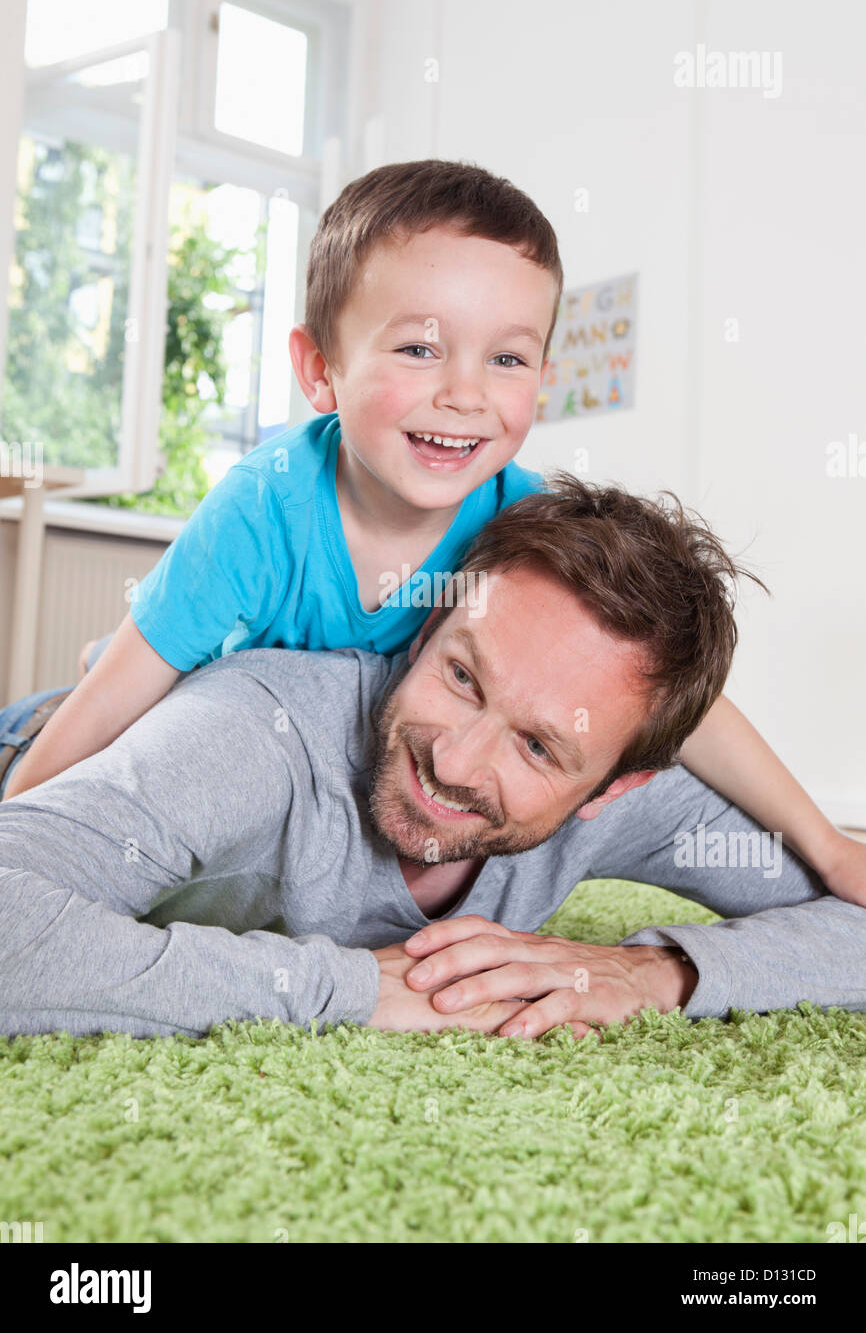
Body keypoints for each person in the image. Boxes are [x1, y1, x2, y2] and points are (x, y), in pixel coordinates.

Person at [2, 159, 864, 909]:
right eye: (419, 348)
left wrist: (825, 846)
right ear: (319, 370)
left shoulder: (523, 523)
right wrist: (21, 831)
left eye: (507, 359)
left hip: (314, 767)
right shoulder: (257, 515)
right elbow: (100, 723)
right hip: (125, 722)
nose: (465, 394)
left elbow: (677, 696)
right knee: (106, 695)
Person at [0, 477, 864, 1041]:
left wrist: (658, 969)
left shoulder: (641, 792)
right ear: (424, 629)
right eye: (461, 675)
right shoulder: (259, 732)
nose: (453, 760)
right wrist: (347, 988)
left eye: (537, 745)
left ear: (617, 786)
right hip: (45, 755)